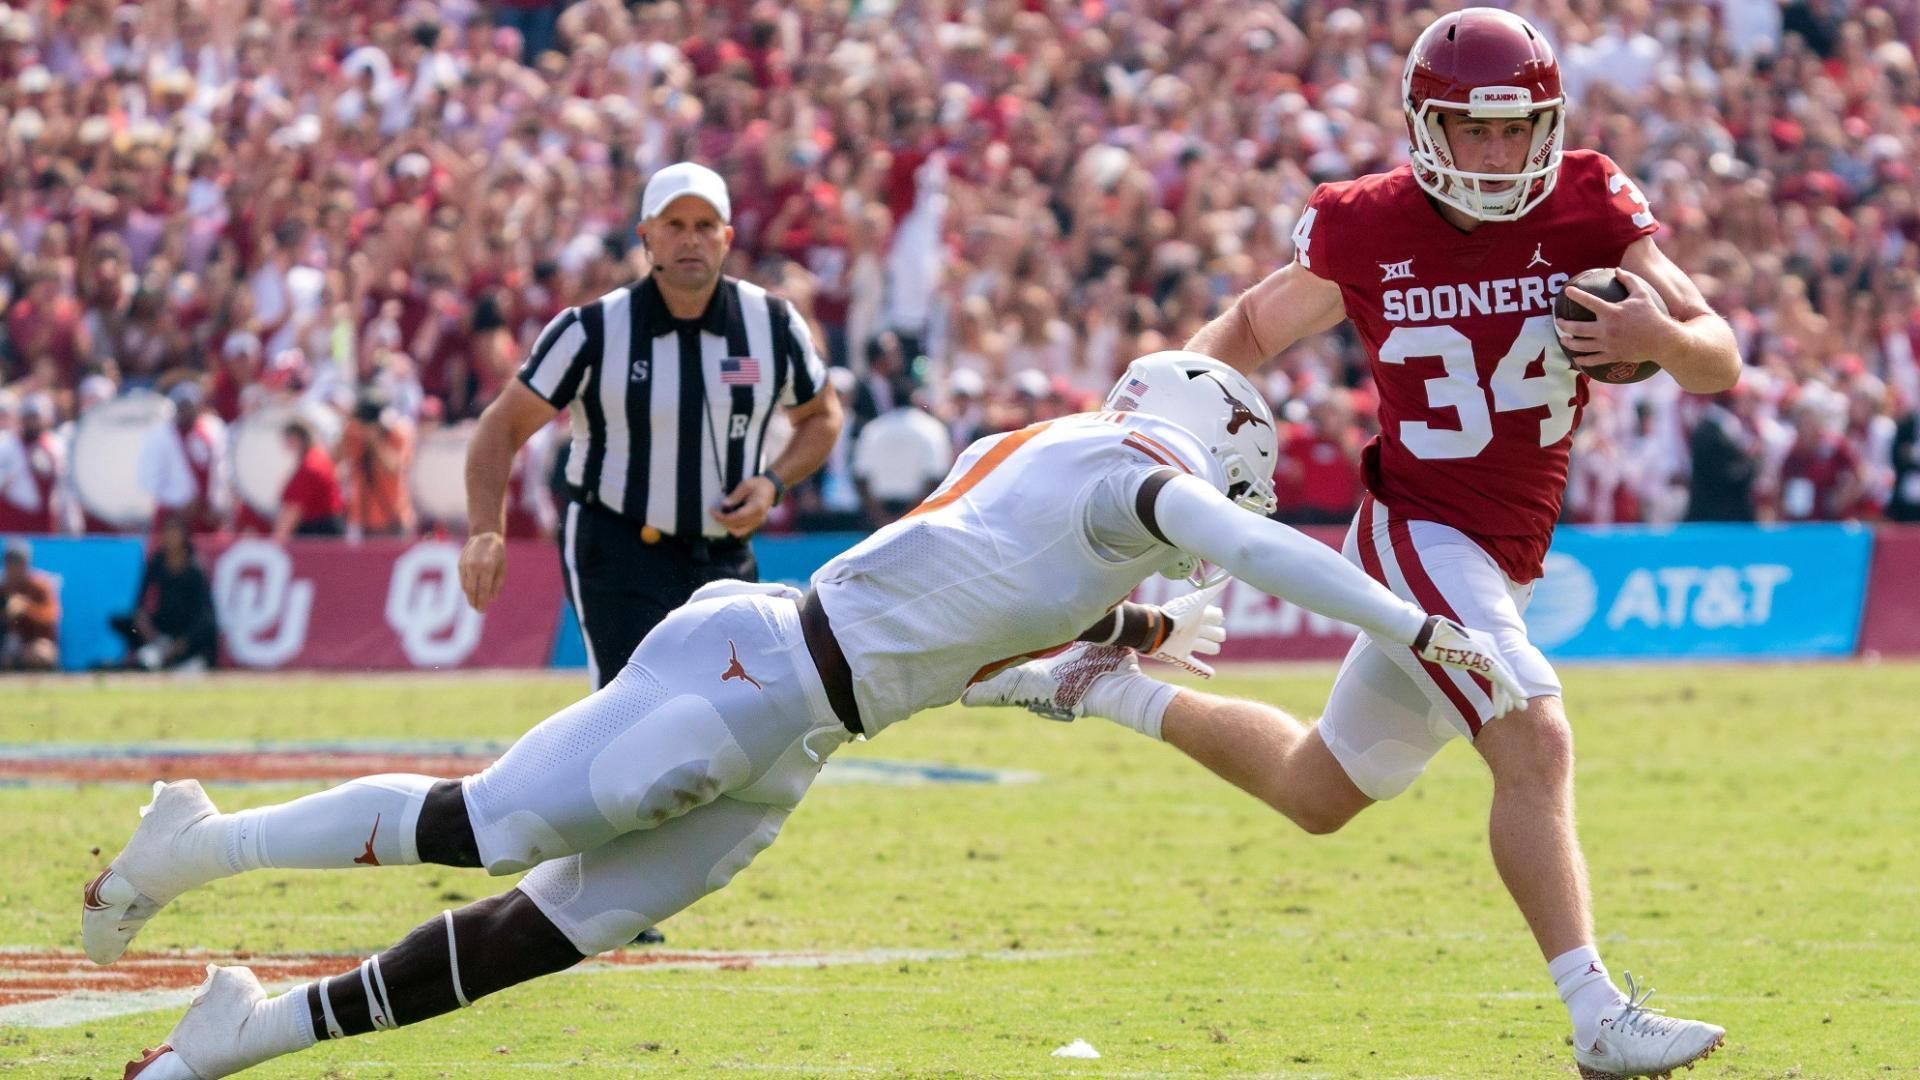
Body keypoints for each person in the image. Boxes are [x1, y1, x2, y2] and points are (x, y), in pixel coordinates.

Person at [86, 352, 1523, 1080]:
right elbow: (1257, 549)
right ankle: (194, 841)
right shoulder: (1123, 471)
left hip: (804, 729)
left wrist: (1115, 646)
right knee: (483, 826)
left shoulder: (1057, 489)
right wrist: (1418, 624)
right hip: (758, 671)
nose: (1208, 536)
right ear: (1204, 436)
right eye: (1228, 487)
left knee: (545, 933)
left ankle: (242, 1038)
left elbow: (968, 635)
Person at [1161, 10, 1738, 1077]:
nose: (1495, 153)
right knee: (1534, 734)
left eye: (1515, 130)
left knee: (1317, 790)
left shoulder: (1589, 200)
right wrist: (1177, 424)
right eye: (1471, 131)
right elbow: (1247, 327)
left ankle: (1108, 689)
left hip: (1503, 550)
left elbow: (1718, 357)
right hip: (1418, 526)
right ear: (1426, 127)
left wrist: (1661, 337)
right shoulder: (1368, 223)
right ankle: (1598, 1016)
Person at [458, 161, 844, 691]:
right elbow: (499, 427)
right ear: (646, 237)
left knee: (732, 716)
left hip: (723, 552)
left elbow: (821, 415)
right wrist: (485, 530)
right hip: (619, 548)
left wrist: (773, 482)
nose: (691, 240)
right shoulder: (591, 330)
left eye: (705, 226)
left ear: (727, 238)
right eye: (675, 225)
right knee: (631, 712)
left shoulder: (772, 325)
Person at [110, 514, 218, 672]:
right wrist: (147, 628)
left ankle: (185, 658)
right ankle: (153, 655)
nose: (170, 538)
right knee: (121, 621)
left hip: (187, 630)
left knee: (205, 630)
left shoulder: (195, 569)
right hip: (161, 629)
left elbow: (205, 614)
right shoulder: (156, 563)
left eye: (175, 533)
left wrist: (183, 642)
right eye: (167, 533)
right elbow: (139, 602)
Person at [136, 382, 228, 535]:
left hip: (207, 517)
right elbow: (148, 479)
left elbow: (221, 470)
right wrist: (179, 502)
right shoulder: (159, 436)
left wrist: (217, 505)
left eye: (190, 406)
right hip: (173, 517)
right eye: (182, 407)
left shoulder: (212, 430)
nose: (186, 412)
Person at [0, 391, 62, 534]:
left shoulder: (54, 446)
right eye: (28, 417)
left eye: (35, 418)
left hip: (43, 521)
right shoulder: (6, 444)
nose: (31, 422)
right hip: (12, 518)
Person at [271, 422, 345, 541]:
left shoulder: (310, 466)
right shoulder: (318, 457)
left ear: (295, 439)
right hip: (323, 529)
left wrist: (277, 541)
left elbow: (293, 509)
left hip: (319, 533)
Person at [0, 538, 59, 671]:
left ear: (26, 564)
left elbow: (51, 617)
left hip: (35, 642)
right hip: (8, 644)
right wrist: (6, 612)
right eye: (10, 562)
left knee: (40, 654)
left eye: (18, 562)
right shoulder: (3, 588)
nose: (14, 568)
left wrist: (26, 608)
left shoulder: (39, 587)